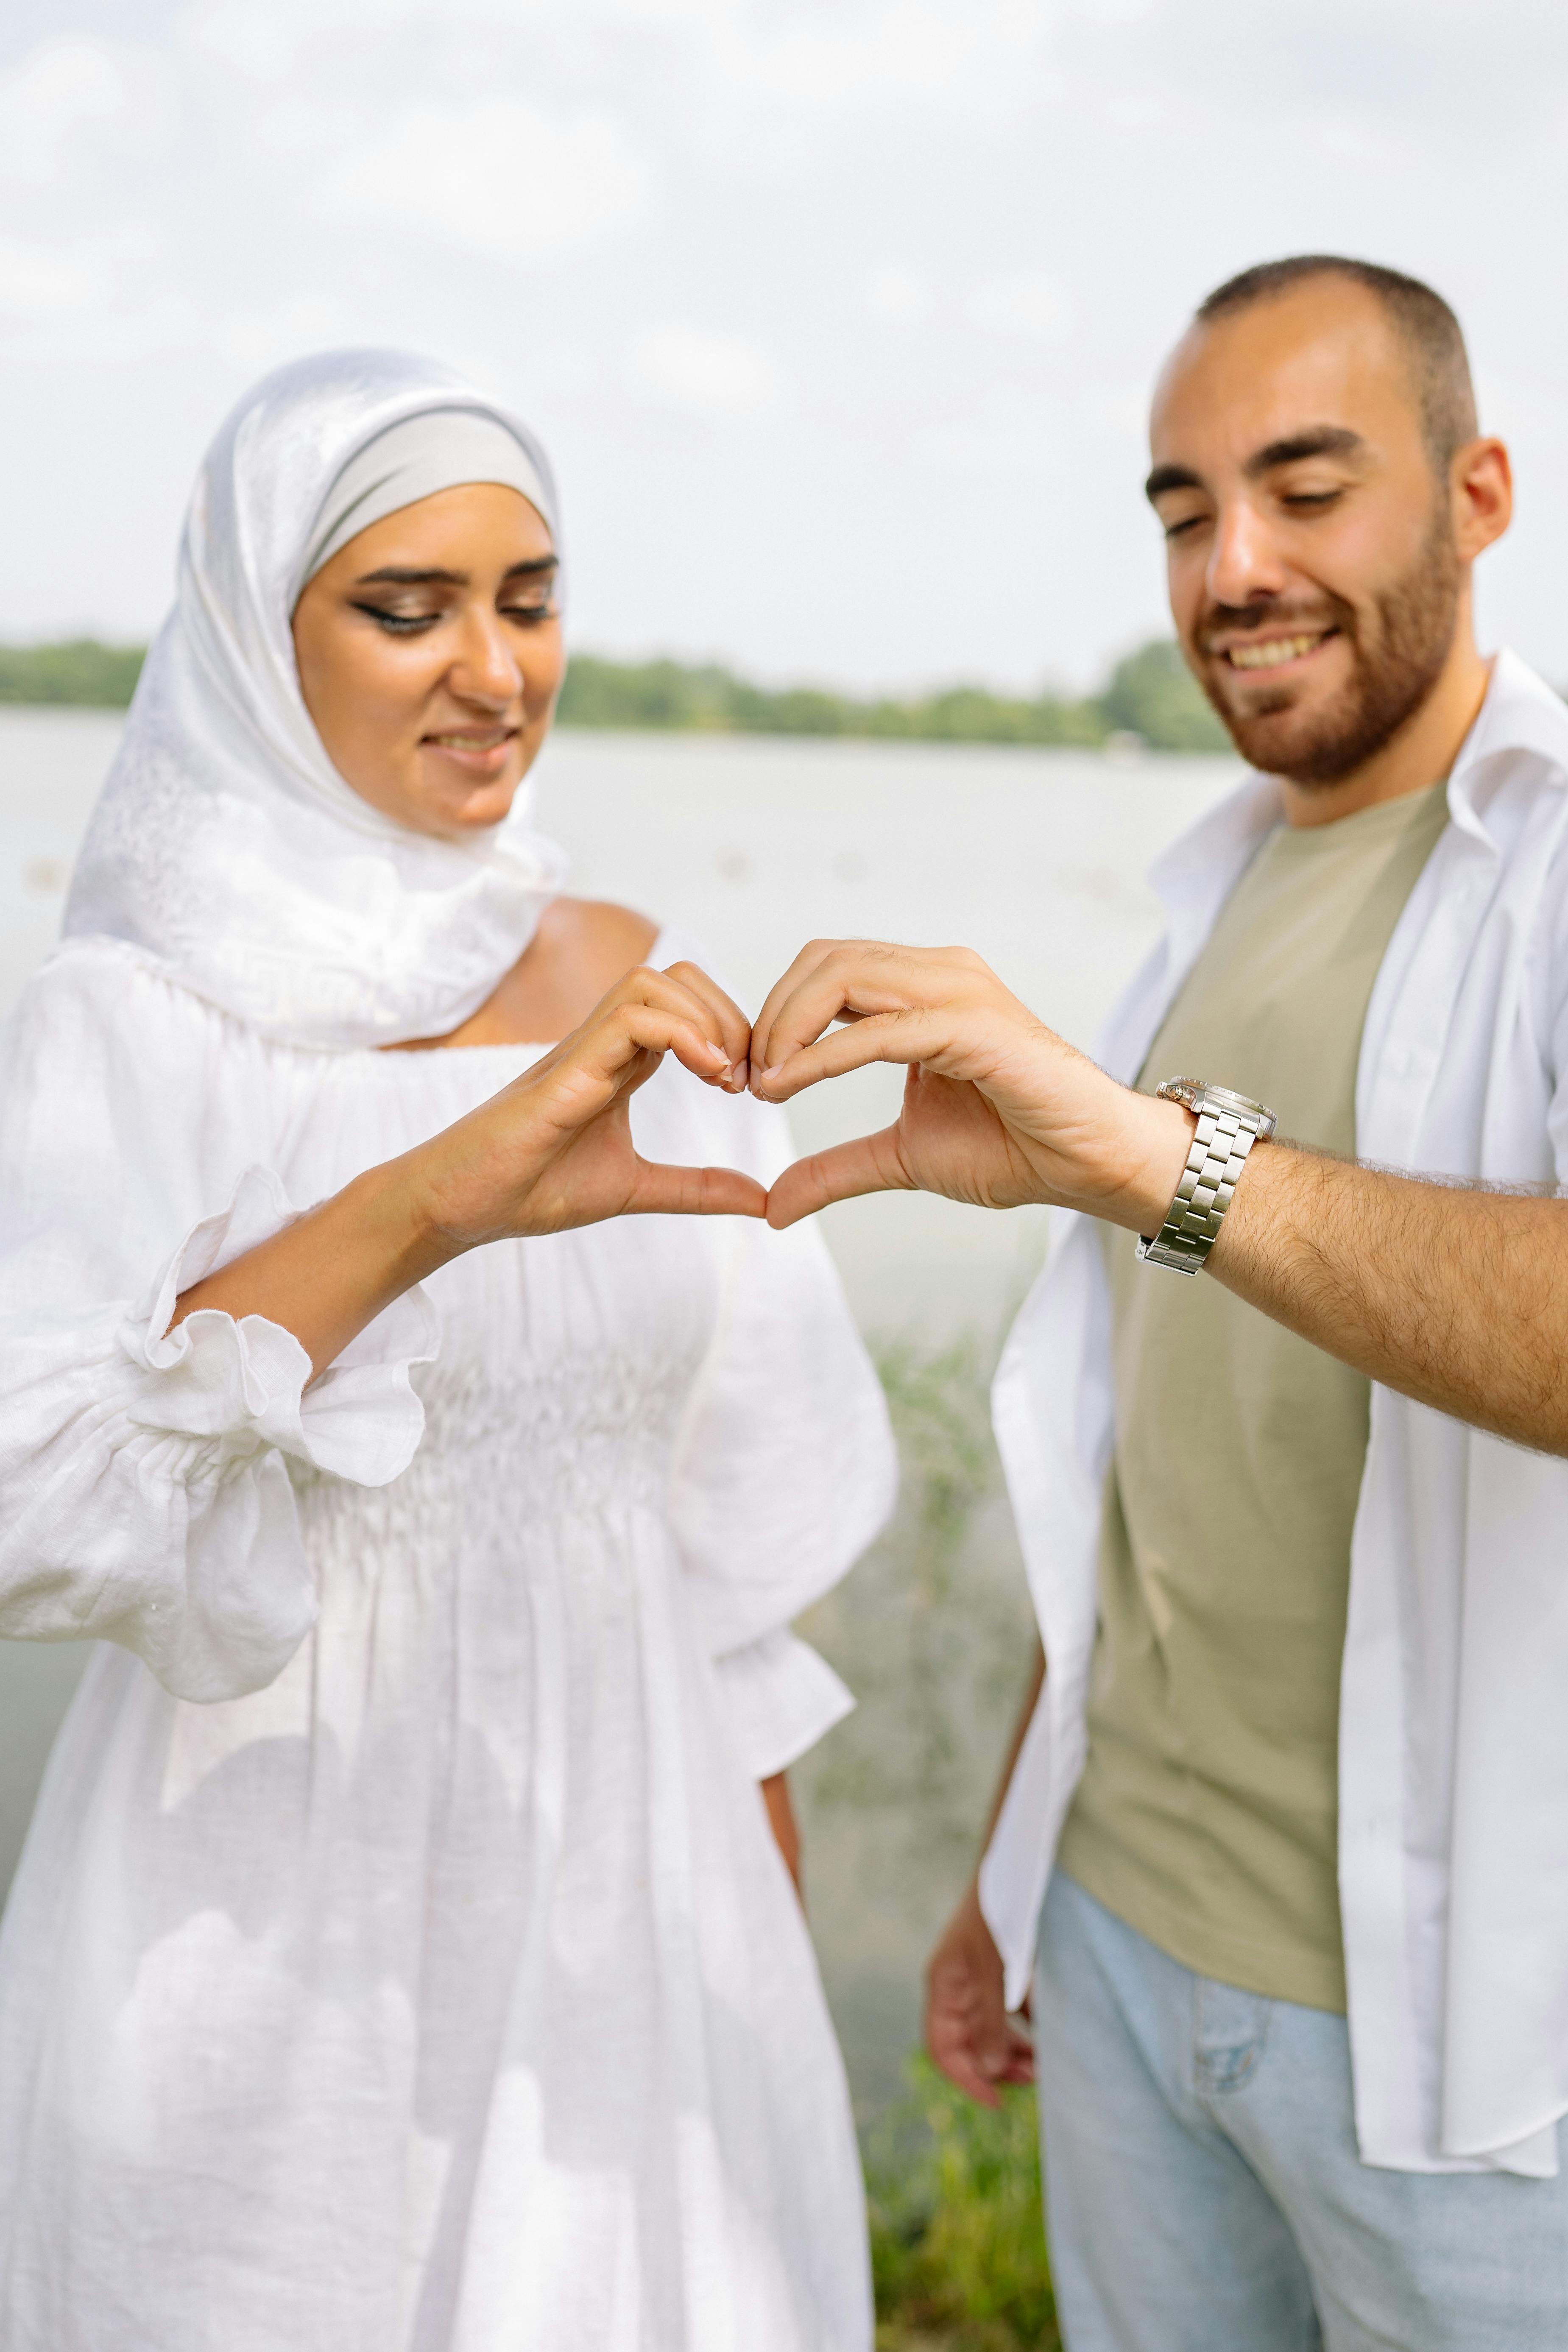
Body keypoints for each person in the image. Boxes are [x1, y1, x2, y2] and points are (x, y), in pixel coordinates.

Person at [0, 350, 896, 2352]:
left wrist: (759, 1960)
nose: (494, 670)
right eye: (405, 608)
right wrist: (438, 1190)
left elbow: (737, 1553)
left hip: (628, 1893)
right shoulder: (137, 1012)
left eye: (529, 594)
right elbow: (27, 1499)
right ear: (255, 634)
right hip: (252, 1919)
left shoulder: (636, 980)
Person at [749, 257, 1568, 2347]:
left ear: (1478, 493)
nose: (1233, 566)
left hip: (1474, 2060)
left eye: (1306, 488)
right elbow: (1133, 1441)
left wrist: (1162, 1160)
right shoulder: (1204, 891)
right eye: (1186, 509)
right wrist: (1015, 1860)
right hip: (1116, 1939)